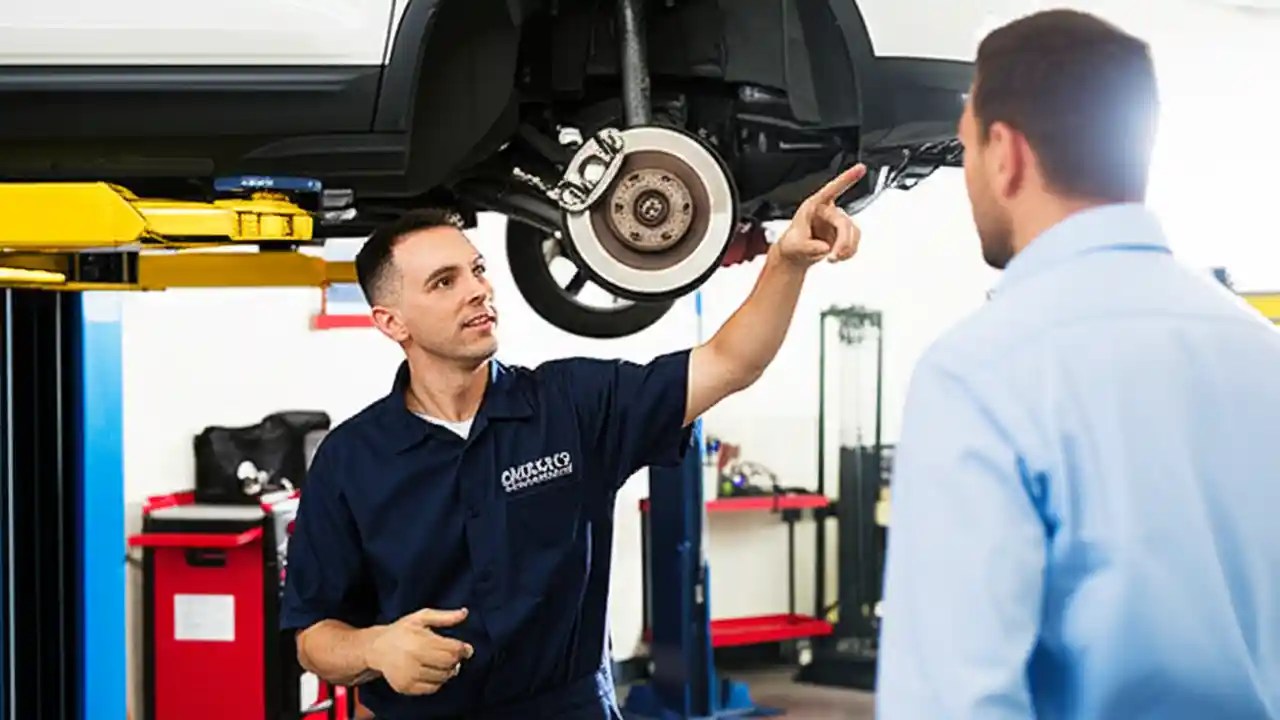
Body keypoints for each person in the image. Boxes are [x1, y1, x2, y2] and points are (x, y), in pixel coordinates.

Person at [280, 164, 867, 719]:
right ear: (392, 322)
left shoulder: (572, 405)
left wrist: (787, 262)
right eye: (444, 282)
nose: (478, 291)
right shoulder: (350, 460)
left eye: (478, 269)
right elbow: (313, 639)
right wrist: (376, 649)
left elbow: (727, 363)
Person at [877, 9, 1280, 720]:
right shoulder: (1261, 352)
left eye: (965, 148)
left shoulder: (978, 375)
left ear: (1006, 154)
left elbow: (954, 702)